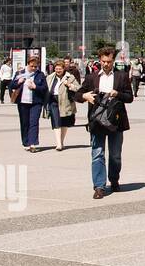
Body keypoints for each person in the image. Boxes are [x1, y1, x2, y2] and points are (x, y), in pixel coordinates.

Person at [75, 45, 133, 199]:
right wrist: (85, 96)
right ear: (99, 61)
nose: (106, 64)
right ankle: (99, 186)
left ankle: (114, 180)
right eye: (103, 61)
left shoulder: (121, 76)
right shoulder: (91, 77)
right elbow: (77, 95)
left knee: (115, 155)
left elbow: (130, 97)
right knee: (97, 153)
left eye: (109, 61)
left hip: (116, 121)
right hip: (97, 121)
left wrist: (118, 94)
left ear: (113, 60)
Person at [12, 56, 48, 152]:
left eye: (36, 66)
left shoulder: (40, 75)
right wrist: (18, 82)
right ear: (28, 64)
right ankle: (26, 142)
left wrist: (35, 87)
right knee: (24, 123)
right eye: (32, 66)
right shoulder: (20, 73)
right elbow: (12, 85)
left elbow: (44, 88)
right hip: (23, 102)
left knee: (34, 122)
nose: (34, 68)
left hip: (36, 102)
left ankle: (33, 144)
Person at [47, 60, 80, 151]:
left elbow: (78, 88)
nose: (58, 71)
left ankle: (61, 141)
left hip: (66, 102)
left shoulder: (70, 77)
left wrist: (69, 85)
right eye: (56, 69)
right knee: (56, 121)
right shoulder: (50, 77)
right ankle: (58, 144)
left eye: (60, 69)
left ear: (63, 69)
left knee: (64, 122)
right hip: (53, 100)